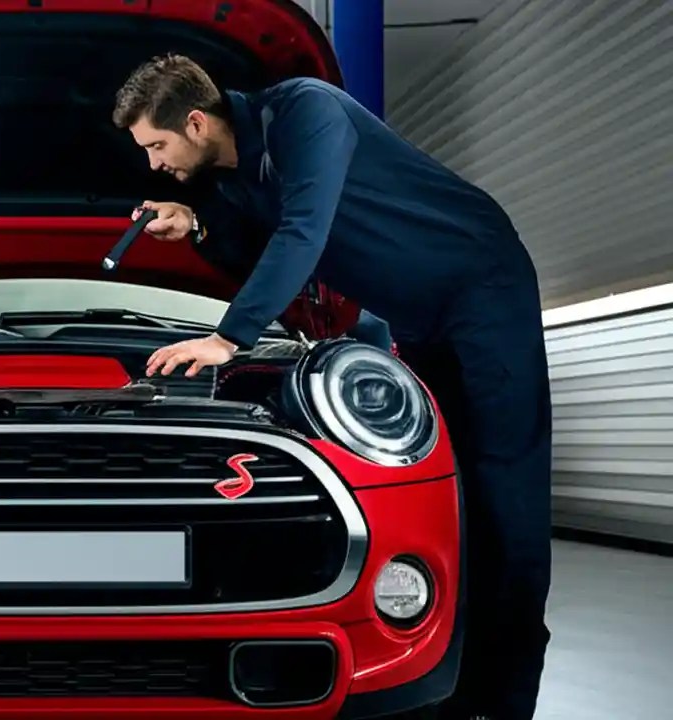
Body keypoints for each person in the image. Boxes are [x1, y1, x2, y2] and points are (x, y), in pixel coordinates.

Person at [112, 54, 553, 720]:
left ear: (196, 122)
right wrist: (195, 225)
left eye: (156, 146)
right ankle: (459, 680)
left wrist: (227, 339)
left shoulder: (305, 112)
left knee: (505, 486)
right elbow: (260, 256)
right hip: (420, 317)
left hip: (482, 285)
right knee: (457, 495)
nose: (153, 164)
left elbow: (304, 232)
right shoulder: (236, 181)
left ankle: (508, 699)